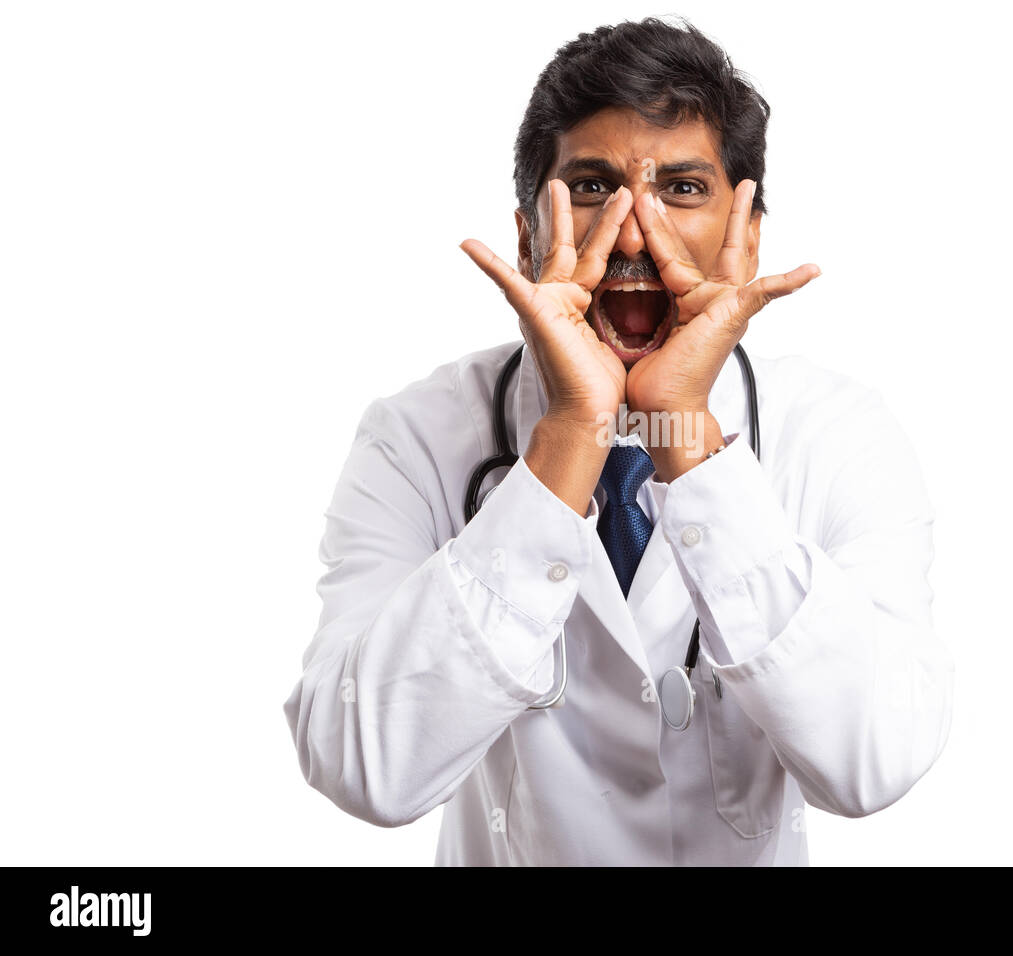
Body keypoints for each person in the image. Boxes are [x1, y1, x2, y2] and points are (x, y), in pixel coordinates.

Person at [283, 16, 954, 866]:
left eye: (681, 190)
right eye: (594, 188)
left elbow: (876, 762)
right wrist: (569, 435)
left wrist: (688, 437)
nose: (633, 236)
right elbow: (362, 770)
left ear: (744, 239)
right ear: (529, 236)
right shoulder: (413, 436)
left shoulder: (839, 433)